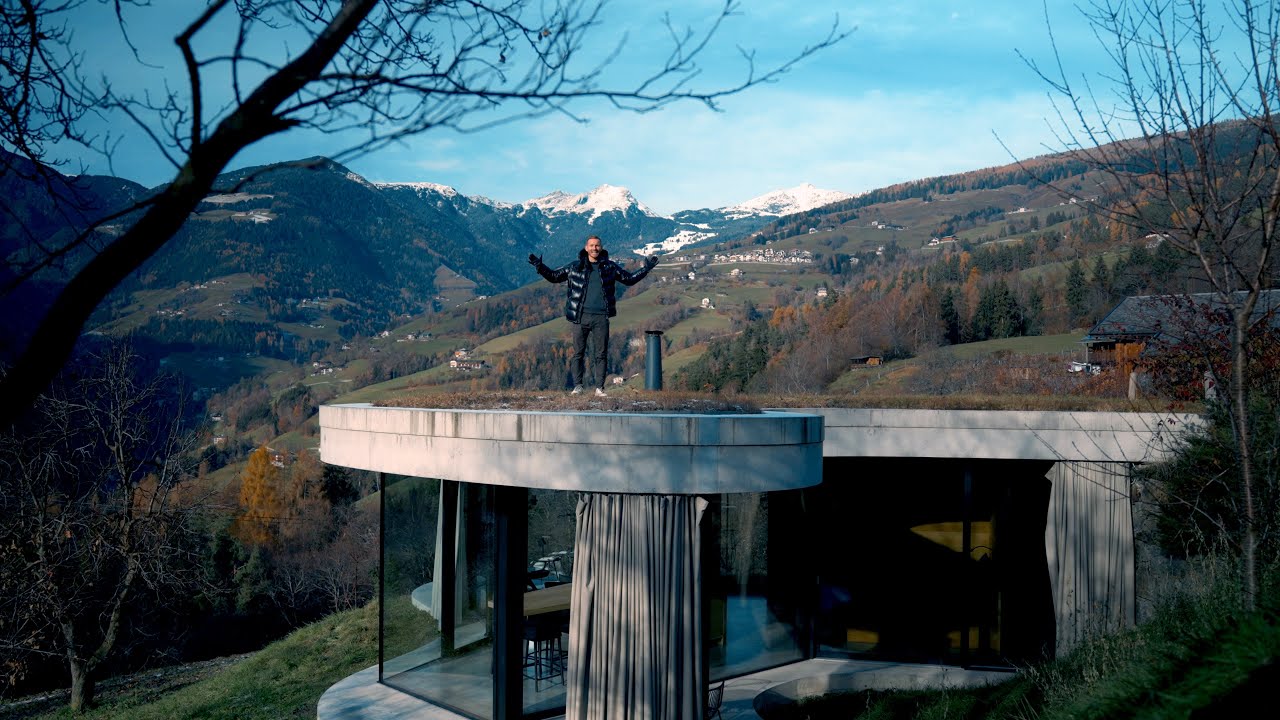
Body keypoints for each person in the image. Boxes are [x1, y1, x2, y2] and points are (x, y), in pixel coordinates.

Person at [529, 235, 658, 396]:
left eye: (597, 245)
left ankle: (599, 388)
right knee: (578, 353)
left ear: (601, 247)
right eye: (591, 245)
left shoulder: (610, 267)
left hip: (601, 317)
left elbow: (629, 279)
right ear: (586, 248)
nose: (594, 248)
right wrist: (540, 267)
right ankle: (578, 386)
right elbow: (555, 277)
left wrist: (646, 269)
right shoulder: (575, 267)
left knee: (601, 354)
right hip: (580, 316)